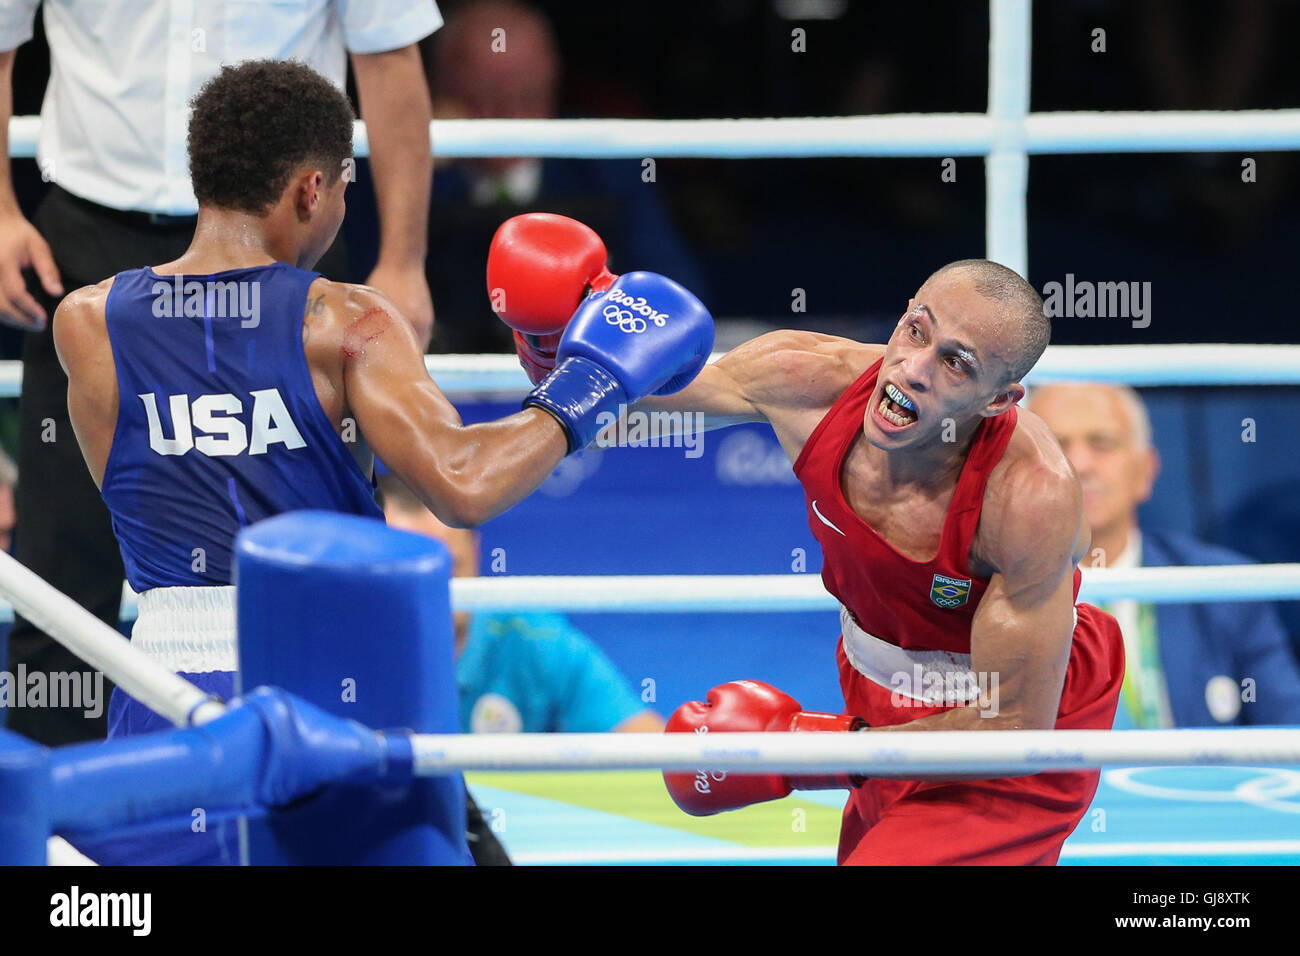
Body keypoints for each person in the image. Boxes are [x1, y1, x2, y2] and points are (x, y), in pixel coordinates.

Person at [50, 61, 713, 863]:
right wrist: (594, 384)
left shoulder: (87, 325)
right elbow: (465, 483)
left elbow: (139, 490)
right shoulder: (345, 322)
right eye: (341, 186)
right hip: (332, 682)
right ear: (308, 190)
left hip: (164, 694)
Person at [526, 255, 1123, 866]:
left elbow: (1014, 725)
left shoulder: (1028, 497)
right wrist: (554, 344)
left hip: (1017, 718)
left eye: (955, 363)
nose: (914, 369)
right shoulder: (809, 379)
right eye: (917, 330)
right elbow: (624, 412)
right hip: (881, 695)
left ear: (999, 400)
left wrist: (818, 749)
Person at [0, 0, 440, 746]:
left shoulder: (333, 313)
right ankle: (58, 832)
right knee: (61, 568)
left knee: (313, 549)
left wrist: (402, 256)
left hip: (278, 247)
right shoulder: (88, 315)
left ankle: (372, 800)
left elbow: (390, 56)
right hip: (88, 240)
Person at [415, 0, 704, 353]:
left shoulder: (604, 161)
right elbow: (365, 282)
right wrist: (420, 160)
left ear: (553, 85)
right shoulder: (402, 173)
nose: (511, 117)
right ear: (440, 92)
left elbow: (678, 293)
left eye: (527, 97)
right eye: (485, 99)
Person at [1027, 383, 1300, 728]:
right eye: (1058, 445)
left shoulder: (1226, 586)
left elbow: (1288, 733)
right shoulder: (985, 588)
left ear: (1145, 470)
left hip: (1196, 783)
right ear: (1021, 472)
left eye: (1102, 443)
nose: (1081, 464)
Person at [380, 472, 665, 734]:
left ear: (474, 549)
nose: (434, 591)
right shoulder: (343, 651)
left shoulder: (530, 634)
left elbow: (648, 747)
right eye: (409, 575)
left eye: (451, 569)